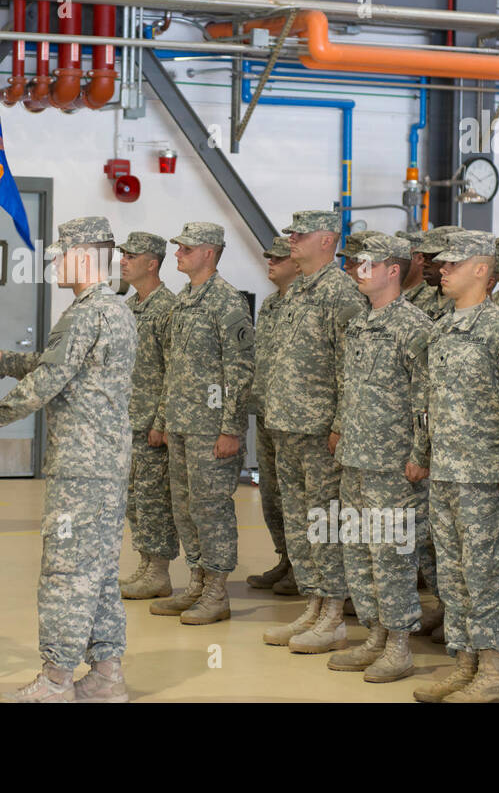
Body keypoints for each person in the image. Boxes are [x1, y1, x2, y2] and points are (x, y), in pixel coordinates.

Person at [0, 216, 137, 702]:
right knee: (99, 571)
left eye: (61, 254)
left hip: (82, 469)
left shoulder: (87, 314)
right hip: (103, 464)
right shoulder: (114, 310)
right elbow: (60, 365)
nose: (56, 264)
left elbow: (49, 382)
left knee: (67, 572)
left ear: (84, 256)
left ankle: (56, 680)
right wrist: (3, 360)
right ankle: (107, 675)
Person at [412, 231, 499, 703]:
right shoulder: (440, 328)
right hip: (446, 472)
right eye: (442, 264)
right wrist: (421, 454)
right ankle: (463, 663)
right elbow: (426, 400)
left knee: (488, 576)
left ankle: (493, 674)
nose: (443, 271)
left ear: (482, 268)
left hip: (487, 477)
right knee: (454, 574)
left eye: (454, 264)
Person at [324, 233, 431, 680]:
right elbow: (348, 387)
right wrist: (339, 428)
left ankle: (400, 644)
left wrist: (420, 453)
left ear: (394, 269)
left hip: (393, 464)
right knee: (359, 550)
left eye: (368, 262)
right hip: (356, 459)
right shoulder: (359, 323)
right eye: (355, 262)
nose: (357, 269)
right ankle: (374, 634)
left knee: (391, 555)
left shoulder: (414, 327)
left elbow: (426, 398)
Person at [262, 211, 367, 651]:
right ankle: (313, 603)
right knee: (301, 522)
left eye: (301, 236)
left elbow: (350, 365)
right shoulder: (297, 290)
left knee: (326, 523)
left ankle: (334, 615)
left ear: (327, 240)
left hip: (320, 431)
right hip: (287, 426)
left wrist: (341, 424)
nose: (292, 241)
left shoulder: (340, 293)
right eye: (291, 234)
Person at [148, 222, 255, 625]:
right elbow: (172, 367)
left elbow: (240, 369)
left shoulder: (227, 303)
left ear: (209, 253)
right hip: (180, 422)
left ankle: (217, 591)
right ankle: (196, 580)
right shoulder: (184, 301)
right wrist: (162, 418)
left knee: (211, 509)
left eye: (186, 248)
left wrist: (231, 427)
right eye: (177, 247)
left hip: (211, 428)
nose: (177, 253)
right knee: (186, 508)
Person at [117, 232, 179, 600]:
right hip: (128, 420)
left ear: (152, 263)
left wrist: (162, 421)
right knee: (136, 499)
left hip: (151, 423)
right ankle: (145, 563)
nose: (123, 260)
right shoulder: (128, 307)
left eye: (131, 255)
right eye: (122, 254)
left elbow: (175, 370)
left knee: (154, 499)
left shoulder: (167, 308)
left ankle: (159, 571)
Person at [246, 236, 301, 595]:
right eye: (269, 257)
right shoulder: (269, 305)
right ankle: (285, 557)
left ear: (297, 264)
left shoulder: (305, 304)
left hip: (294, 416)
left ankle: (303, 566)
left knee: (297, 497)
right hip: (267, 412)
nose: (271, 262)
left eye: (279, 258)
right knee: (272, 492)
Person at [409, 226, 464, 321]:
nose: (424, 263)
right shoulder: (419, 302)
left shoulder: (468, 305)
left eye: (433, 257)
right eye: (424, 257)